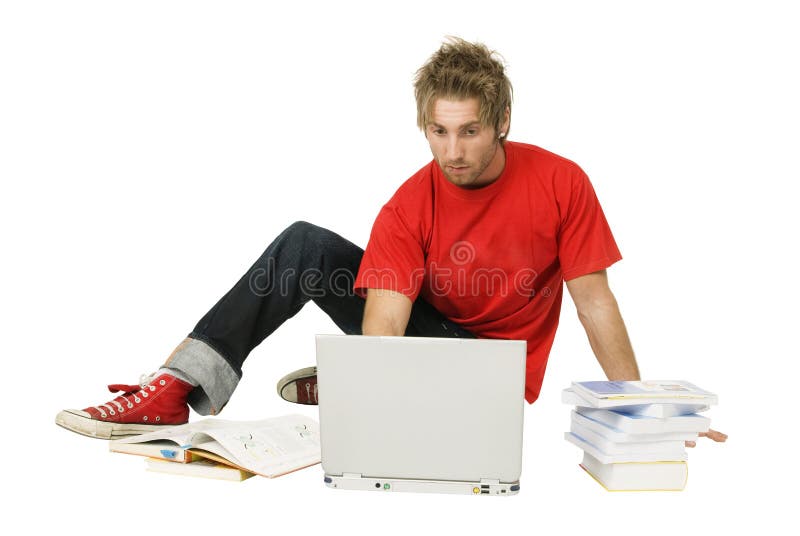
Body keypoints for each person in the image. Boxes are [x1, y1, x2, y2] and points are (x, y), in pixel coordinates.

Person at [56, 37, 726, 445]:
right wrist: (375, 380)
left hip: (495, 375)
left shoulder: (560, 181)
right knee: (305, 245)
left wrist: (646, 416)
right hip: (428, 349)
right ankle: (179, 386)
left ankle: (352, 386)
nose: (454, 151)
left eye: (469, 131)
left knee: (389, 355)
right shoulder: (409, 205)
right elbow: (384, 322)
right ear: (423, 125)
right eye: (439, 132)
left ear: (501, 123)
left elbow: (594, 303)